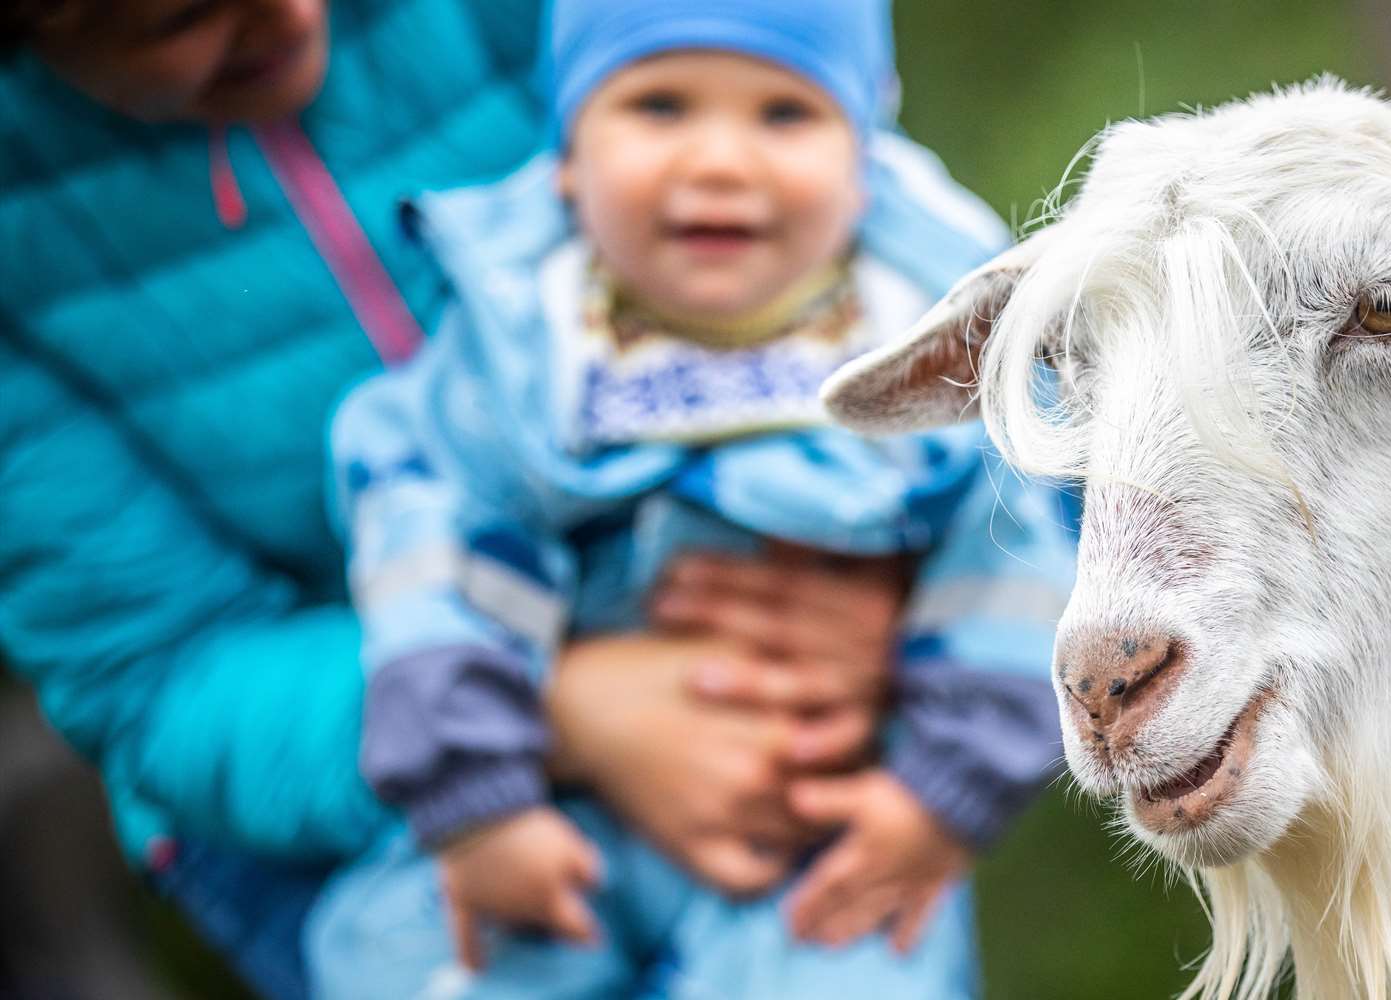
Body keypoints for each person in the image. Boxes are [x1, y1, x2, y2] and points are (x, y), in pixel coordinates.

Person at [1, 2, 914, 996]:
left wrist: (877, 577)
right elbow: (156, 680)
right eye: (178, 14)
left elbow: (854, 237)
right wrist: (543, 709)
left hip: (740, 662)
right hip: (334, 782)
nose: (293, 13)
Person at [304, 1, 1074, 997]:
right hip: (548, 802)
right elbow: (429, 544)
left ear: (864, 156)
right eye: (658, 106)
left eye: (784, 115)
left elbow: (1018, 553)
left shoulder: (933, 322)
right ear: (568, 157)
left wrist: (941, 792)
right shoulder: (517, 332)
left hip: (827, 824)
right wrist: (474, 796)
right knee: (397, 956)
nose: (718, 160)